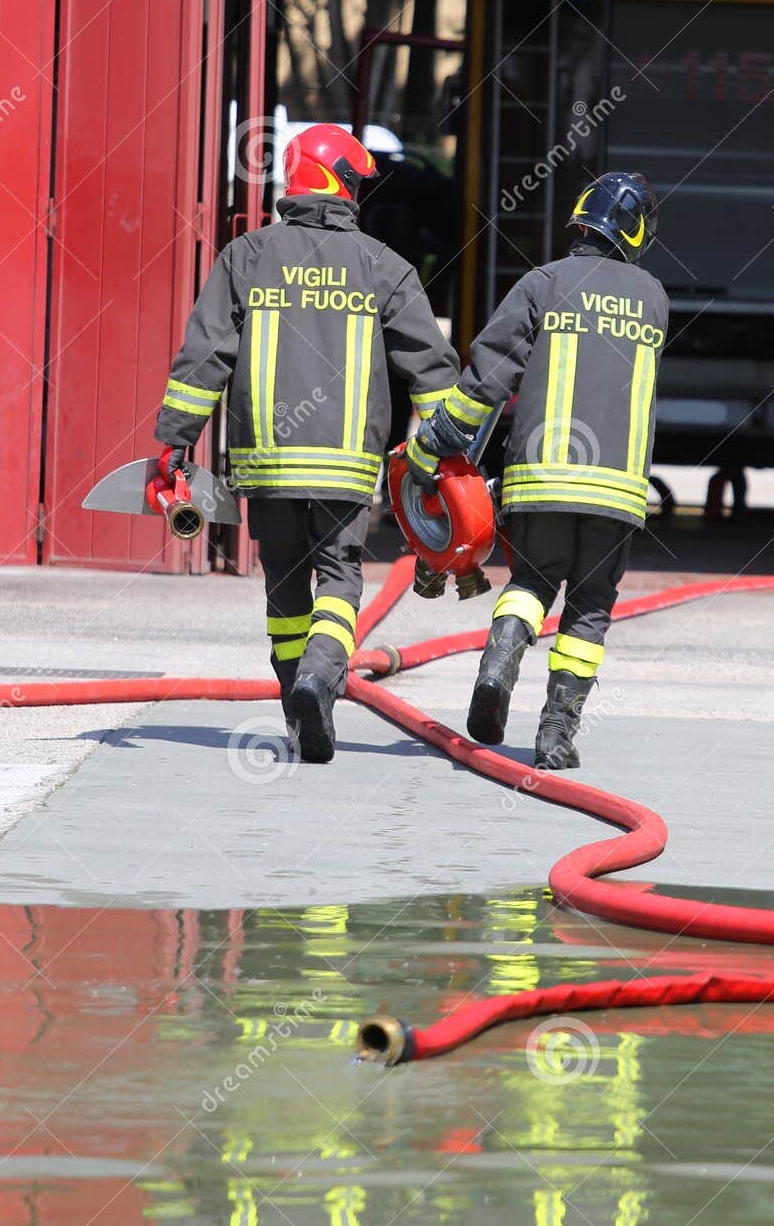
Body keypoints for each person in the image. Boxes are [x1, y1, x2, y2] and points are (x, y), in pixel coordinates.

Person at [154, 123, 458, 763]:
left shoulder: (246, 257)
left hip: (264, 466)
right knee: (339, 579)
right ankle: (321, 678)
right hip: (344, 471)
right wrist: (439, 463)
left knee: (284, 583)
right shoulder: (384, 267)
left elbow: (202, 360)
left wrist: (173, 445)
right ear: (343, 184)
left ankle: (298, 700)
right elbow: (432, 374)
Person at [406, 171, 669, 770]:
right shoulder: (654, 297)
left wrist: (437, 446)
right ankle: (556, 735)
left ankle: (497, 666)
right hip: (617, 493)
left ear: (580, 219)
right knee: (591, 608)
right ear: (635, 233)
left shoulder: (542, 284)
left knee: (530, 583)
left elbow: (485, 381)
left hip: (542, 479)